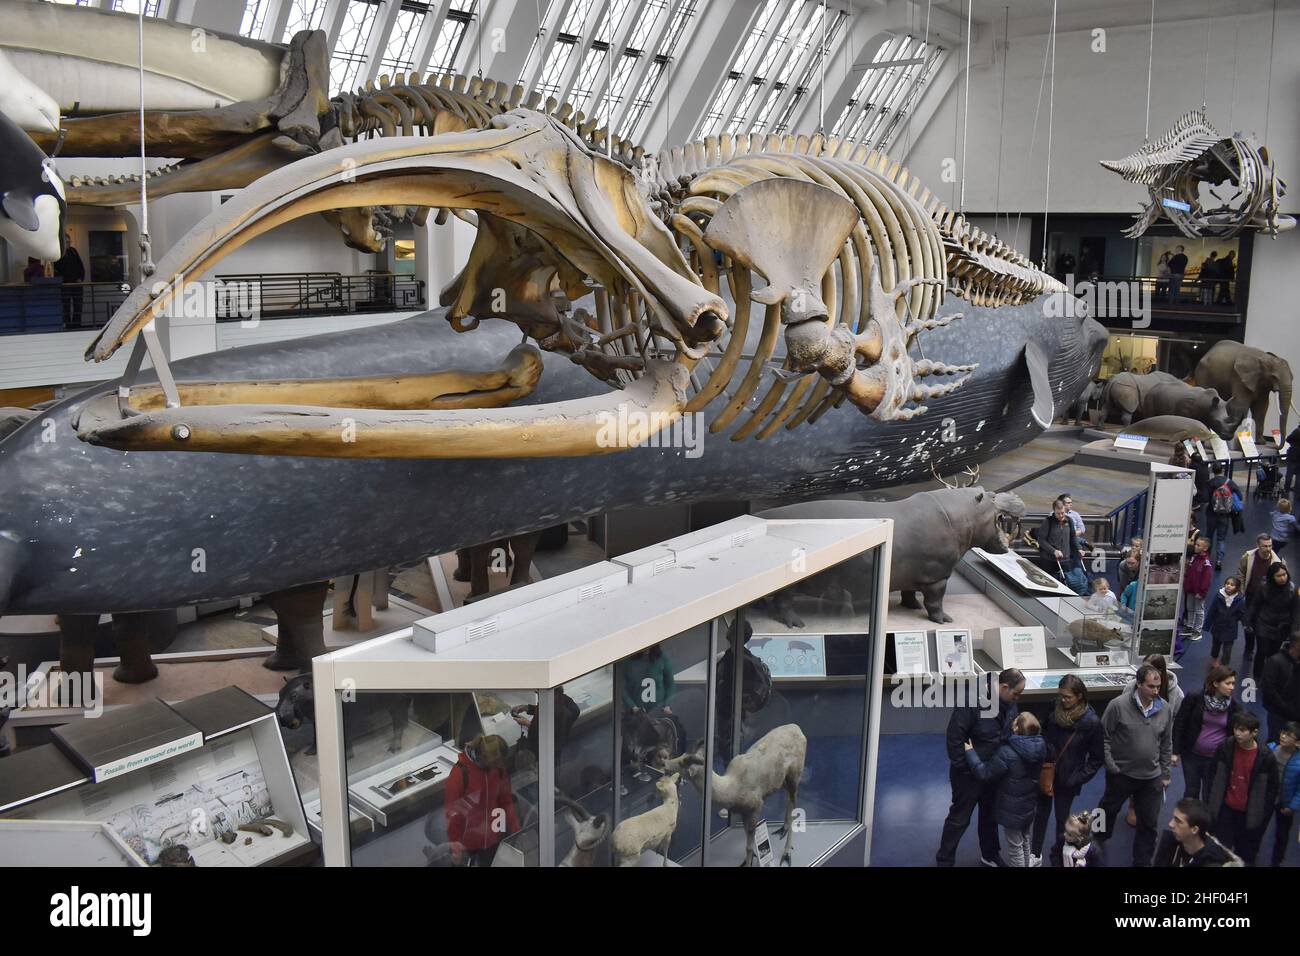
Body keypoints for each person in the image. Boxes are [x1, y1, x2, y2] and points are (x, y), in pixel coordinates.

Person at [936, 668, 1024, 866]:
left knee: (990, 815)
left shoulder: (1010, 702)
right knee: (959, 818)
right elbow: (955, 738)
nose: (1017, 698)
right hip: (968, 774)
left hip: (994, 770)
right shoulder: (970, 702)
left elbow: (1010, 730)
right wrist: (965, 769)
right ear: (1004, 687)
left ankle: (990, 853)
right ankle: (944, 860)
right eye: (1016, 693)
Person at [1096, 663, 1174, 866]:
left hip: (1151, 777)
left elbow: (1166, 743)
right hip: (1121, 774)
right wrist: (1111, 765)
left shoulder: (1165, 708)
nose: (1155, 691)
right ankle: (1094, 844)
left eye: (1158, 686)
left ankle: (1142, 862)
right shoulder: (1117, 705)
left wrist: (1165, 774)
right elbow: (1102, 736)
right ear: (1138, 684)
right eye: (1151, 686)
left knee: (1149, 823)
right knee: (1107, 810)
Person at [1032, 675, 1104, 867]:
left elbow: (1097, 758)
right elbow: (1041, 729)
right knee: (1041, 814)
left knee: (1062, 820)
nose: (1063, 700)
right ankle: (1035, 854)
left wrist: (1078, 777)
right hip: (1047, 771)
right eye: (1061, 695)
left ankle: (1059, 858)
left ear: (1079, 696)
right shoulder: (1053, 706)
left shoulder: (1091, 722)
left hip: (1068, 779)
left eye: (1067, 697)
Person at [963, 711, 1045, 867]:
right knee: (1025, 840)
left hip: (1012, 810)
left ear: (1016, 729)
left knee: (1015, 848)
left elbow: (985, 773)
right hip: (1029, 805)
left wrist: (970, 753)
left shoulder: (1007, 753)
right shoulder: (1041, 747)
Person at [1206, 711, 1279, 864]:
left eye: (1242, 730)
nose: (1237, 733)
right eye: (1236, 728)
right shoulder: (1225, 747)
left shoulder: (1266, 757)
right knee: (1219, 854)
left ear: (1254, 732)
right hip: (1225, 810)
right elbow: (1211, 775)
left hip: (1249, 815)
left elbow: (1272, 789)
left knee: (1245, 856)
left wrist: (1263, 814)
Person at [445, 734, 520, 866]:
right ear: (484, 757)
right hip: (467, 844)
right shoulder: (460, 774)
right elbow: (453, 814)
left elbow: (505, 800)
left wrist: (515, 828)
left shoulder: (498, 769)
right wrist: (455, 846)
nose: (499, 766)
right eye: (495, 763)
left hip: (494, 838)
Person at [1173, 666, 1240, 802]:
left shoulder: (1234, 707)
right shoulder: (1195, 698)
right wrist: (1175, 751)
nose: (1232, 687)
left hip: (1215, 758)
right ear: (1215, 683)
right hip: (1191, 755)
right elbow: (1180, 723)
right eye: (1228, 683)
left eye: (1233, 683)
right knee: (1191, 792)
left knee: (1210, 794)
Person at [1245, 562, 1297, 684]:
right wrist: (1248, 620)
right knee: (1262, 651)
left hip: (1282, 626)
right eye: (1279, 576)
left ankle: (1268, 675)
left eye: (1284, 574)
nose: (1282, 578)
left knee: (1273, 653)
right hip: (1264, 623)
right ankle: (1257, 676)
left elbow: (1295, 611)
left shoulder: (1292, 589)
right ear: (1272, 577)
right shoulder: (1263, 587)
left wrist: (1293, 630)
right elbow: (1255, 604)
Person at [1153, 798, 1242, 866]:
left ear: (1194, 830)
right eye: (1173, 818)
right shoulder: (1172, 841)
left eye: (1178, 821)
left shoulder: (1213, 862)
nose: (1170, 824)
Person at [1268, 721, 1300, 866]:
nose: (1283, 736)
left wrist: (1292, 806)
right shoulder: (1271, 749)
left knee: (1281, 834)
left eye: (1288, 735)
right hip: (1268, 797)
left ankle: (1277, 861)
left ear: (1298, 742)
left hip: (1285, 803)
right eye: (1283, 733)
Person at [1037, 499, 1084, 593]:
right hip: (1049, 560)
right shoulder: (1048, 522)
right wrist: (1054, 551)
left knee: (1067, 584)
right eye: (1058, 513)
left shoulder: (1069, 520)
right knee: (1049, 587)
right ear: (1053, 511)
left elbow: (1073, 537)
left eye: (1062, 513)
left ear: (1065, 509)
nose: (1061, 515)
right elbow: (1041, 540)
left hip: (1065, 559)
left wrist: (1079, 548)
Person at [1261, 636, 1300, 745]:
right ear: (1296, 645)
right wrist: (1285, 707)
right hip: (1278, 713)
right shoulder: (1275, 661)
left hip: (1296, 712)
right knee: (1276, 741)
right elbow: (1269, 689)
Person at [1204, 576, 1247, 666]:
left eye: (1232, 584)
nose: (1229, 586)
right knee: (1216, 645)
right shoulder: (1219, 596)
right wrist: (1207, 625)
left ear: (1237, 587)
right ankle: (1214, 658)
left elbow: (1242, 613)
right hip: (1218, 626)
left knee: (1228, 649)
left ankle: (1224, 664)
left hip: (1230, 628)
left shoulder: (1240, 600)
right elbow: (1212, 611)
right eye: (1227, 583)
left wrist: (1244, 623)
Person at [1206, 464, 1242, 569]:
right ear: (1222, 470)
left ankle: (1206, 558)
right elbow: (1239, 496)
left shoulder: (1210, 483)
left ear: (1213, 471)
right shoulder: (1229, 482)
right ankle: (1219, 560)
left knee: (1209, 536)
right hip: (1224, 516)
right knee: (1221, 539)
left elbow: (1205, 497)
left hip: (1211, 514)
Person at [1182, 535, 1213, 640]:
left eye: (1198, 545)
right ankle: (1189, 626)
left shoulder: (1206, 563)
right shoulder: (1194, 558)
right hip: (1190, 590)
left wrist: (1202, 592)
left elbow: (1206, 579)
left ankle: (1197, 631)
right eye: (1196, 544)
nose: (1195, 546)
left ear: (1205, 548)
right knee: (1190, 608)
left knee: (1199, 611)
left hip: (1199, 592)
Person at [53, 235, 84, 327]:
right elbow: (56, 268)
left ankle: (77, 324)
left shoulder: (73, 251)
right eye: (66, 242)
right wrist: (61, 280)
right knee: (66, 305)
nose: (68, 244)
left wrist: (80, 278)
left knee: (78, 304)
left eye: (69, 242)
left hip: (76, 283)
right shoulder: (58, 253)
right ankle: (68, 324)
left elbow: (80, 266)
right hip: (65, 284)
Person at [1285, 424, 1300, 496]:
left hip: (1293, 456)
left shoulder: (1297, 431)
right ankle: (1297, 490)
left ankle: (1286, 489)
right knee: (1299, 476)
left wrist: (1293, 443)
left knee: (1289, 474)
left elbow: (1288, 439)